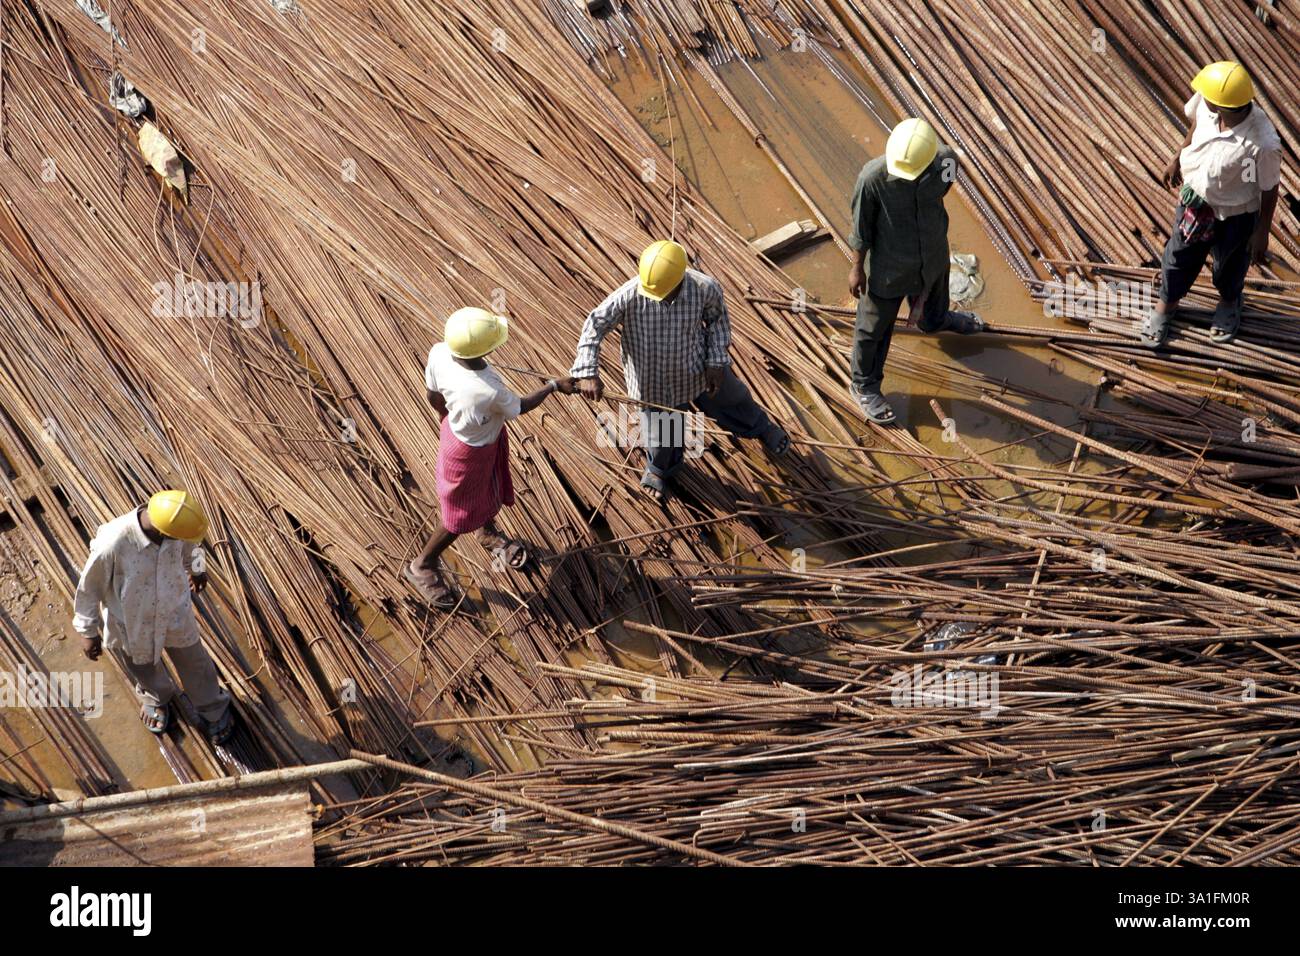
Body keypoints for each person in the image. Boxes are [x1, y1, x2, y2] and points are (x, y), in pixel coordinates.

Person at [570, 240, 789, 503]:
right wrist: (588, 372)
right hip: (653, 381)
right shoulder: (630, 293)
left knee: (734, 399)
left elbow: (718, 321)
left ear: (679, 281)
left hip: (697, 369)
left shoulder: (704, 288)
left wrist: (717, 362)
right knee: (662, 435)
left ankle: (760, 427)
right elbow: (594, 326)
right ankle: (661, 469)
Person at [406, 307, 576, 608]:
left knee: (486, 487)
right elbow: (521, 407)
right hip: (469, 453)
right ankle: (423, 564)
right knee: (456, 516)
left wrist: (449, 418)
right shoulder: (488, 388)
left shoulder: (440, 352)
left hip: (463, 437)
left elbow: (434, 396)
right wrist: (552, 386)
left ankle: (485, 532)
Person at [848, 117, 983, 425]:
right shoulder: (873, 178)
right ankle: (865, 385)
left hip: (934, 253)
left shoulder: (946, 161)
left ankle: (936, 322)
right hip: (890, 267)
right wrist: (857, 268)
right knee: (874, 328)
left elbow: (946, 186)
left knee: (936, 306)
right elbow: (860, 228)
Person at [73, 490, 234, 742]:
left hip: (173, 609)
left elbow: (193, 545)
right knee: (142, 665)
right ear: (163, 531)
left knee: (195, 660)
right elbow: (88, 587)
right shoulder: (113, 543)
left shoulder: (174, 527)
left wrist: (198, 569)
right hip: (132, 619)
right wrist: (87, 631)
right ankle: (156, 697)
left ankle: (212, 707)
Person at [1141, 61, 1282, 347]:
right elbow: (1195, 124)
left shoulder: (1262, 142)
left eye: (1209, 99)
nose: (1203, 100)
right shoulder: (1208, 104)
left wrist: (1262, 231)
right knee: (1179, 254)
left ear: (1225, 107)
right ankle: (1166, 306)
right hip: (1196, 203)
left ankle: (1229, 302)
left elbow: (1269, 188)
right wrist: (1177, 157)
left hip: (1237, 214)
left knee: (1230, 264)